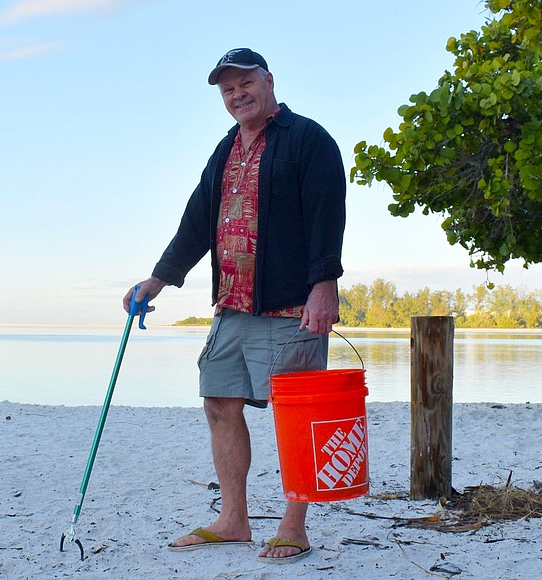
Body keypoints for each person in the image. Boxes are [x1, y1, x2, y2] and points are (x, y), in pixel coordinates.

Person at [123, 48, 346, 564]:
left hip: (292, 306)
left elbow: (326, 215)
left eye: (245, 82)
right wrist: (159, 280)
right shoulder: (224, 151)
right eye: (227, 89)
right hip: (231, 304)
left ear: (268, 81)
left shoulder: (308, 140)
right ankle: (234, 520)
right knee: (219, 405)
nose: (237, 94)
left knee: (295, 419)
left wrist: (324, 284)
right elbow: (197, 222)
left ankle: (294, 526)